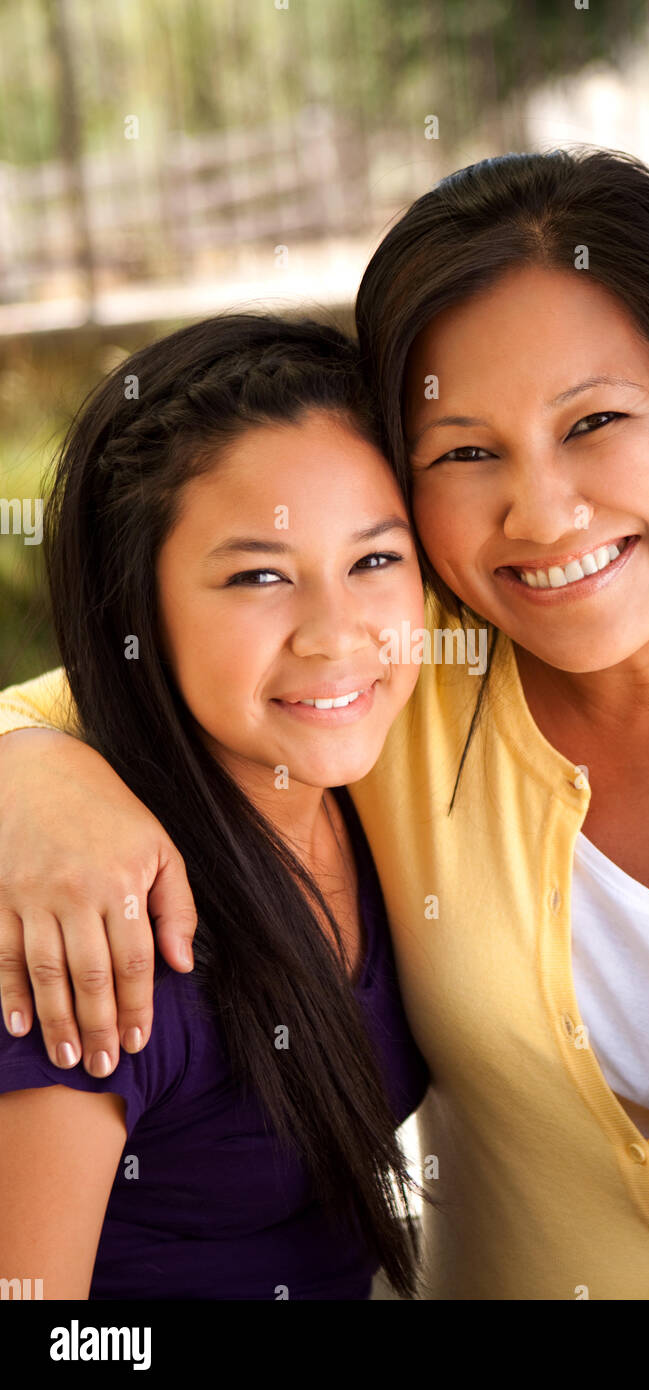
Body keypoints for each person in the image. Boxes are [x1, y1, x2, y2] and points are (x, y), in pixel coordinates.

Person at [2, 147, 649, 1300]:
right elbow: (109, 693)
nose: (543, 512)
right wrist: (31, 775)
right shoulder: (400, 679)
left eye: (595, 418)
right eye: (463, 450)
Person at [0, 312, 430, 1300]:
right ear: (135, 611)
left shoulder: (370, 804)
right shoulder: (92, 933)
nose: (335, 636)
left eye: (373, 560)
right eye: (258, 576)